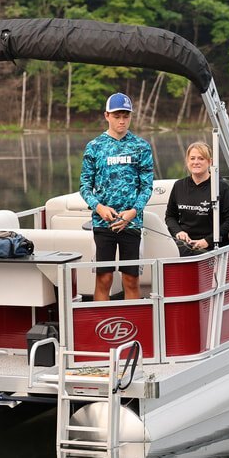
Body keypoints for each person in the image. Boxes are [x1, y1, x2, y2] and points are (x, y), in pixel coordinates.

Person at [79, 92, 154, 301]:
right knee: (104, 278)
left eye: (126, 116)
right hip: (104, 223)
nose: (122, 120)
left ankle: (133, 325)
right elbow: (84, 186)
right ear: (107, 116)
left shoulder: (141, 147)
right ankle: (101, 324)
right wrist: (99, 207)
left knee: (131, 279)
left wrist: (133, 212)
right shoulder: (94, 146)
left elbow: (147, 186)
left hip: (131, 222)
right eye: (117, 116)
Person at [164, 141, 229, 254]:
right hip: (184, 244)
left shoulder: (221, 187)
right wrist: (178, 232)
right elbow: (170, 216)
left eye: (201, 158)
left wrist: (207, 240)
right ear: (187, 161)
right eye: (192, 158)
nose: (196, 162)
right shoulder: (179, 186)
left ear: (210, 162)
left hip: (210, 246)